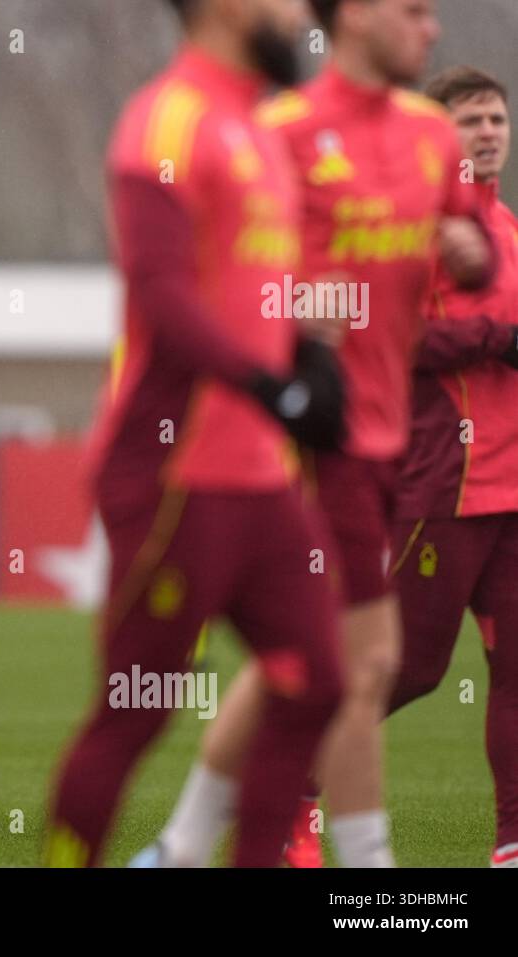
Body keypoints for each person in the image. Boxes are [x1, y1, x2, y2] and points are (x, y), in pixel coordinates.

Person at [138, 0, 492, 869]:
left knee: (322, 658)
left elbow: (474, 245)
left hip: (387, 439)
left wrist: (469, 247)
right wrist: (299, 329)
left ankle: (180, 849)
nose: (433, 29)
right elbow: (224, 273)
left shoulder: (427, 133)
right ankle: (367, 873)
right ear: (361, 16)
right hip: (306, 439)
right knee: (363, 661)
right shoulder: (283, 130)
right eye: (415, 11)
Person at [47, 0, 349, 867]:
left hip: (260, 476)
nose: (303, 15)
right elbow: (166, 294)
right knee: (136, 709)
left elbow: (252, 291)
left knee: (316, 682)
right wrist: (272, 387)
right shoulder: (167, 118)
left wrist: (304, 357)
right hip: (174, 472)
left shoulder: (258, 126)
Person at [387, 65, 518, 868]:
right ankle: (292, 776)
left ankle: (511, 839)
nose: (490, 132)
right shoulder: (411, 226)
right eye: (471, 120)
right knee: (411, 669)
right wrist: (493, 337)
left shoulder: (507, 227)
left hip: (515, 491)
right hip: (445, 484)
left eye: (498, 119)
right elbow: (390, 342)